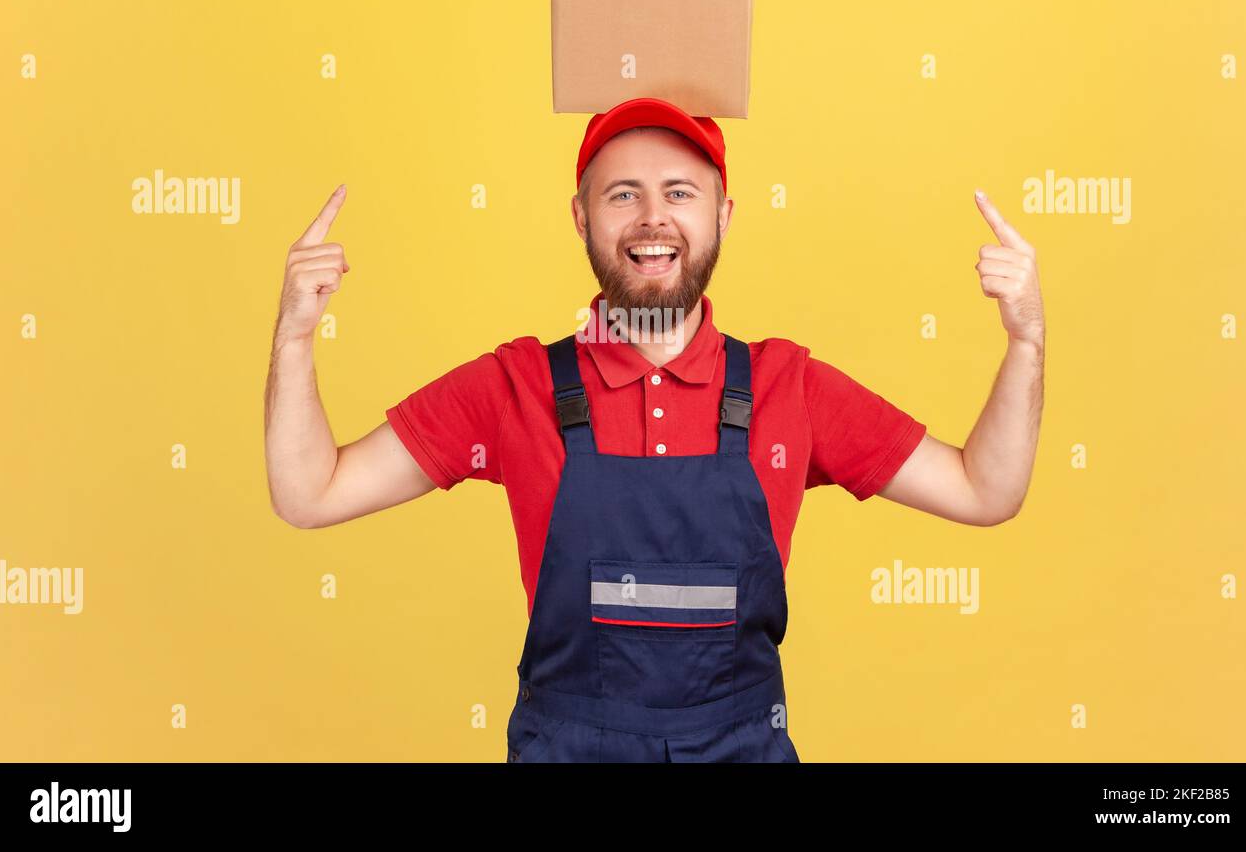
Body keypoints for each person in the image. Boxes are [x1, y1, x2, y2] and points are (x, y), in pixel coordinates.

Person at [263, 97, 1045, 762]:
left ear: (722, 215)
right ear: (580, 216)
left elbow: (985, 489)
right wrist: (295, 338)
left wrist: (1026, 343)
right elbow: (310, 492)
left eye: (679, 192)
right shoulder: (516, 386)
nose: (652, 219)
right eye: (622, 195)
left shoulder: (789, 387)